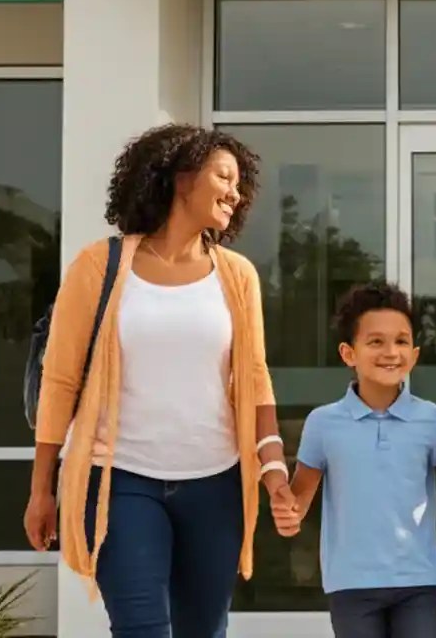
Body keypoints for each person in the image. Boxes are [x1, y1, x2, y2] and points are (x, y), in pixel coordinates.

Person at [22, 123, 297, 638]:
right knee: (142, 629)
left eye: (240, 184)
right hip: (120, 481)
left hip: (216, 486)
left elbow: (255, 380)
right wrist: (42, 489)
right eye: (224, 177)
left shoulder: (237, 276)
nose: (235, 194)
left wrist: (273, 468)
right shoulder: (99, 266)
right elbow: (59, 382)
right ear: (180, 178)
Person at [277, 282, 436, 638]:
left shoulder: (432, 420)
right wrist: (287, 514)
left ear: (415, 354)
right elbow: (298, 502)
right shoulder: (323, 423)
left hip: (417, 583)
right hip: (350, 586)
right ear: (349, 354)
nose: (391, 352)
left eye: (401, 341)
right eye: (376, 341)